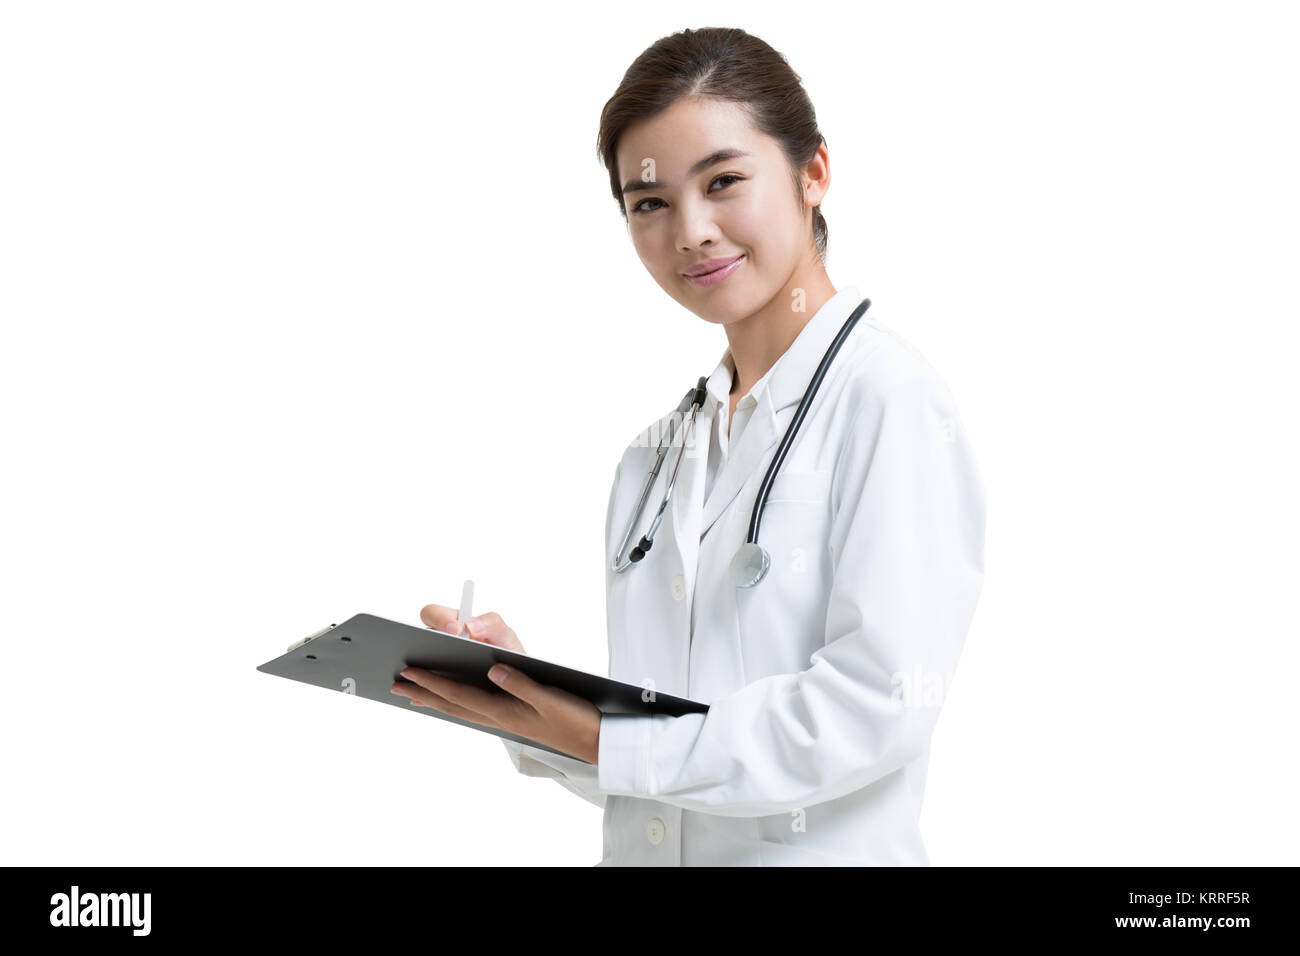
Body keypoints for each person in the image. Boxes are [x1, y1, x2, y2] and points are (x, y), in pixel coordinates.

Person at [392, 26, 986, 866]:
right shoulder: (658, 456)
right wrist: (527, 702)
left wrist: (610, 741)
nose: (692, 231)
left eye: (724, 182)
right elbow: (666, 763)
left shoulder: (891, 402)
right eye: (651, 202)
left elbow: (874, 711)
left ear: (813, 172)